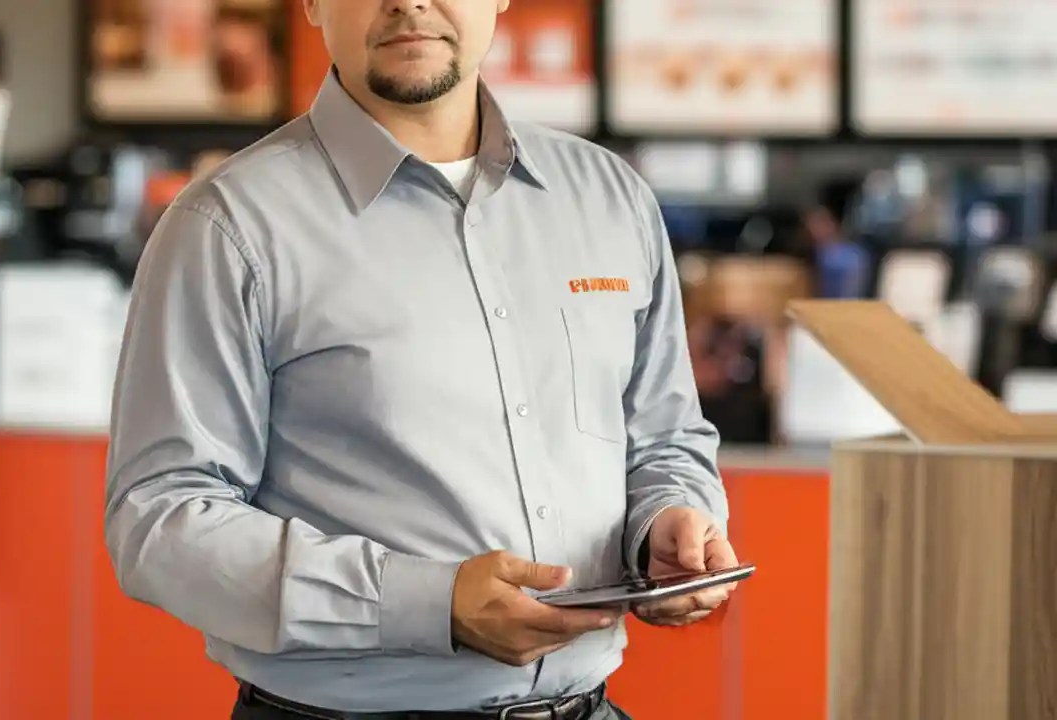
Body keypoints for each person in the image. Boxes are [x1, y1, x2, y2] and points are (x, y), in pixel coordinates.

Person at [105, 1, 737, 718]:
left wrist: (668, 521)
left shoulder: (607, 196)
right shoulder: (229, 226)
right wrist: (424, 603)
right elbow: (161, 520)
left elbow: (664, 436)